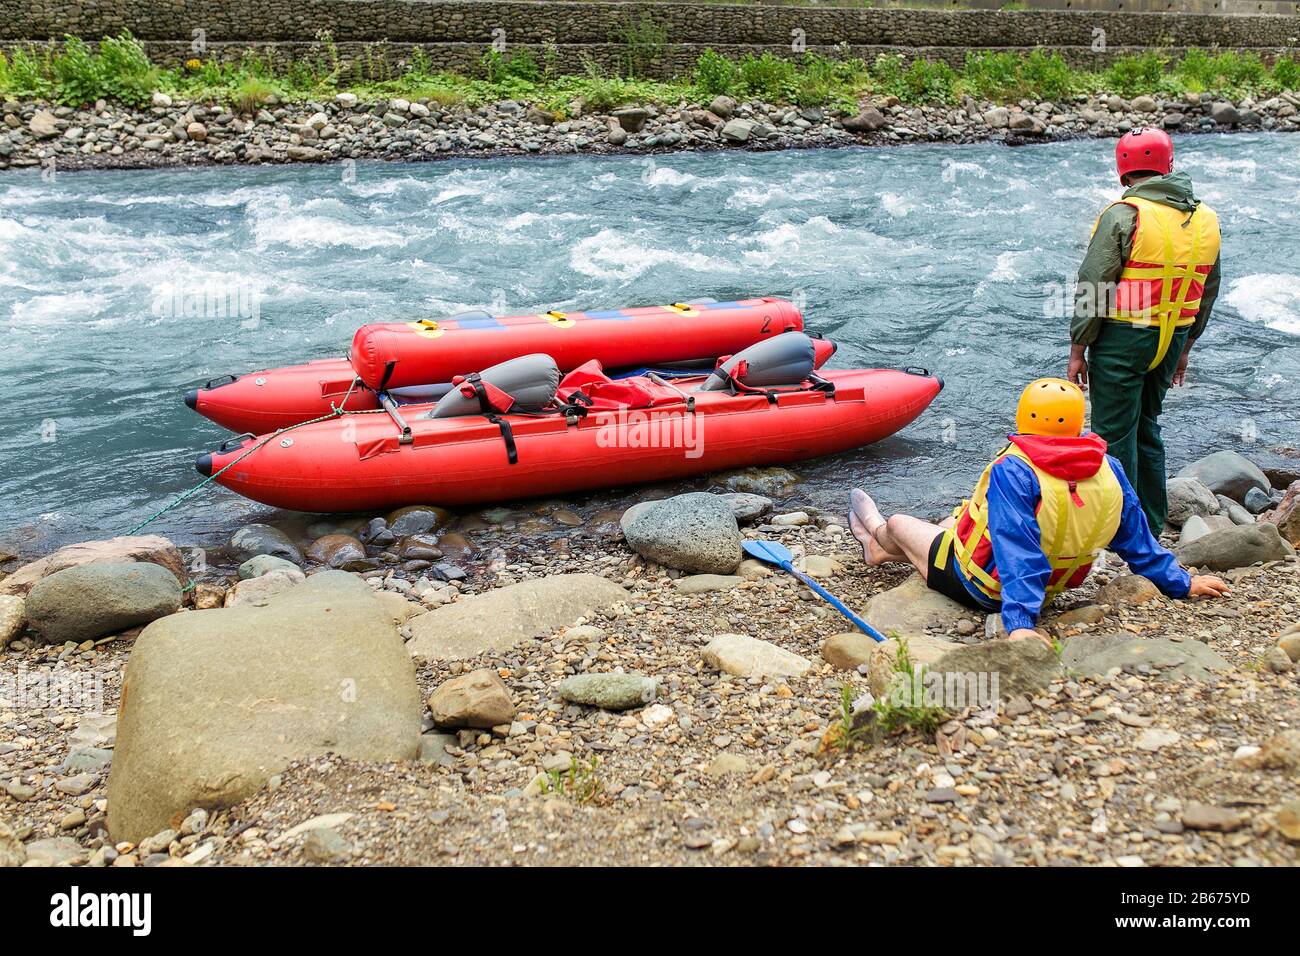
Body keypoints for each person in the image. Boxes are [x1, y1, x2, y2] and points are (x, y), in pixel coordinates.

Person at [848, 378, 1229, 644]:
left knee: (900, 523)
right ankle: (885, 545)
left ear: (1024, 419)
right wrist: (1180, 582)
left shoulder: (1014, 469)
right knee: (951, 522)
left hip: (985, 590)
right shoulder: (1107, 467)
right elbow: (1136, 539)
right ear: (1079, 422)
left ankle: (878, 540)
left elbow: (1019, 551)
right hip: (1054, 586)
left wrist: (1019, 623)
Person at [1067, 127, 1222, 534]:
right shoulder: (1205, 218)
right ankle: (1151, 523)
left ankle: (1120, 530)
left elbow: (1094, 283)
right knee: (1147, 426)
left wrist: (1078, 348)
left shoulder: (1124, 215)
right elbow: (1207, 289)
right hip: (1172, 337)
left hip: (1124, 339)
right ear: (1168, 165)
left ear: (1124, 169)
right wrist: (1187, 346)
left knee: (1113, 434)